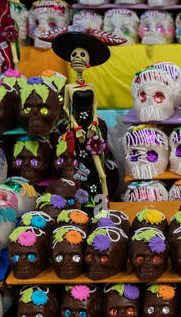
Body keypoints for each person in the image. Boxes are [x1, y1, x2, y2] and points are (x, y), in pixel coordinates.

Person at [41, 26, 124, 206]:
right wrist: (76, 128)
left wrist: (93, 126)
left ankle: (101, 204)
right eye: (75, 55)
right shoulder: (70, 88)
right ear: (70, 60)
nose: (78, 58)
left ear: (88, 61)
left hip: (93, 135)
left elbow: (94, 109)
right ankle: (86, 204)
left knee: (99, 170)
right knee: (82, 168)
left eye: (82, 55)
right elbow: (67, 110)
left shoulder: (91, 87)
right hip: (77, 135)